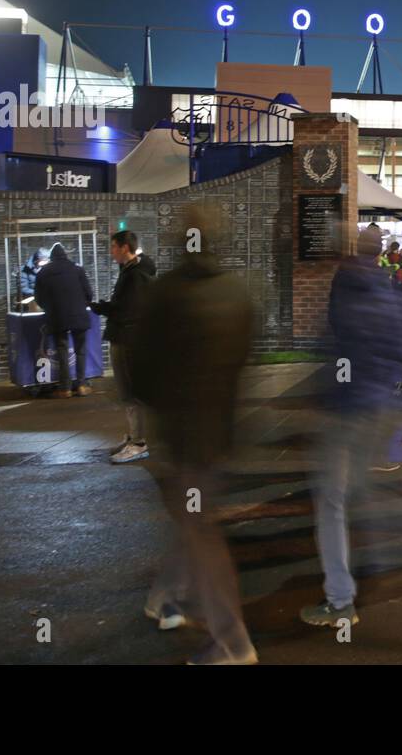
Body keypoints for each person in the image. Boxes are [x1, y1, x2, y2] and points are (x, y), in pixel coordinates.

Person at [130, 206, 257, 664]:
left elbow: (140, 368)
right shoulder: (236, 292)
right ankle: (164, 598)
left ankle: (232, 642)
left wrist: (157, 403)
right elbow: (246, 359)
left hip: (182, 434)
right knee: (193, 519)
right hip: (219, 430)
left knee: (200, 530)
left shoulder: (167, 294)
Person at [303, 225, 402, 629]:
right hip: (378, 405)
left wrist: (330, 395)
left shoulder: (346, 290)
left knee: (331, 500)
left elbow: (338, 349)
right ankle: (379, 566)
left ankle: (339, 600)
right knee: (358, 492)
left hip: (348, 409)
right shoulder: (387, 288)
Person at [89, 231, 158, 464]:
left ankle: (138, 443)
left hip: (127, 338)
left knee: (129, 391)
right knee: (128, 390)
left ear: (125, 247)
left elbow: (127, 309)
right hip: (127, 336)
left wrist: (102, 308)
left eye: (114, 247)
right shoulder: (134, 270)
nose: (111, 252)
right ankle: (133, 437)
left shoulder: (135, 275)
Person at [32, 242, 94, 398]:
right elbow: (89, 293)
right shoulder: (77, 269)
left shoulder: (43, 272)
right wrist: (81, 305)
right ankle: (81, 385)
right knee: (80, 350)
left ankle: (65, 388)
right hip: (79, 315)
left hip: (58, 317)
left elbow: (38, 298)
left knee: (62, 351)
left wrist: (50, 308)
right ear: (66, 255)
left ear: (51, 257)